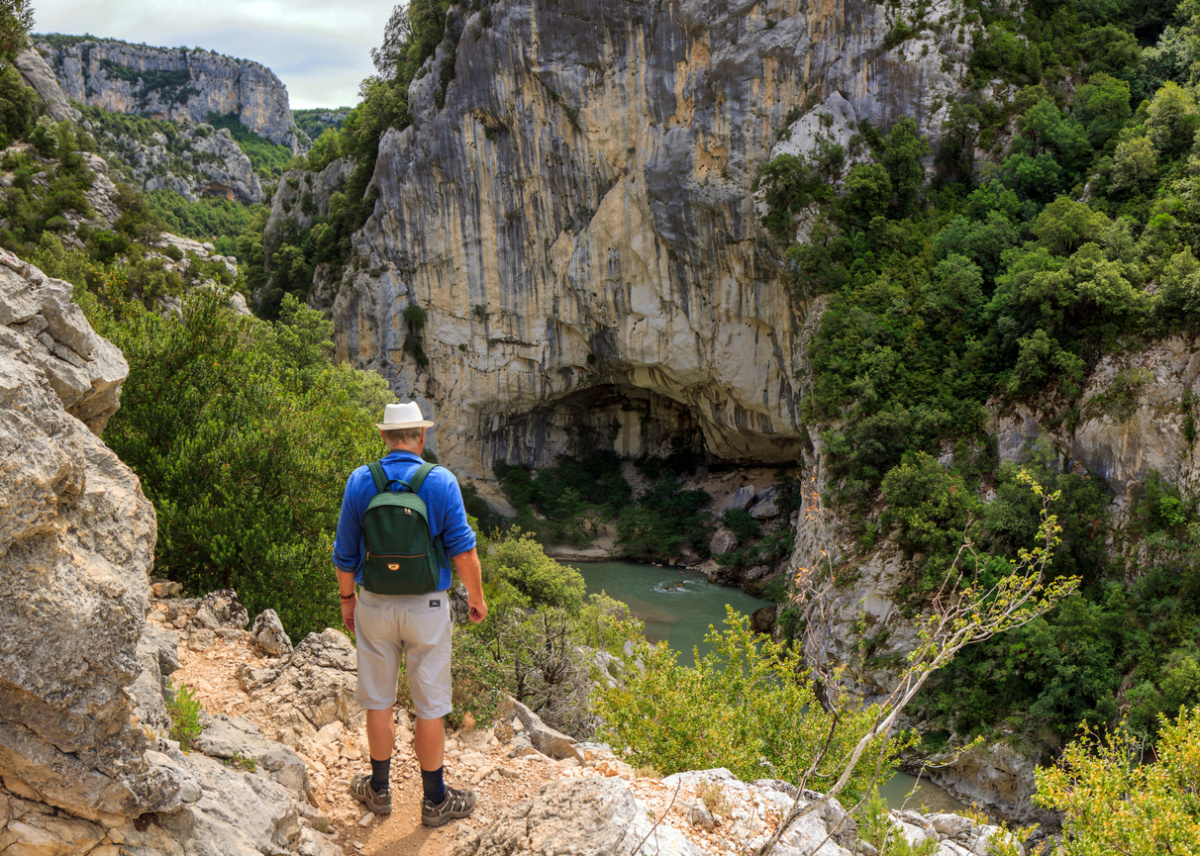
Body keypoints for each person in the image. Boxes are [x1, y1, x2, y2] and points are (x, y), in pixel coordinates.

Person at [333, 401, 488, 827]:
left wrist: (348, 600)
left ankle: (379, 791)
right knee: (430, 706)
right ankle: (435, 799)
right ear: (421, 437)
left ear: (384, 437)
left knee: (379, 701)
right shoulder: (440, 481)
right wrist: (476, 598)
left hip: (374, 604)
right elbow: (464, 550)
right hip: (428, 607)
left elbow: (345, 554)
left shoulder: (361, 480)